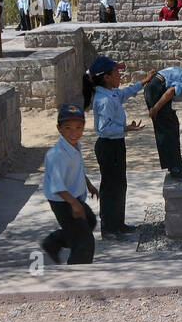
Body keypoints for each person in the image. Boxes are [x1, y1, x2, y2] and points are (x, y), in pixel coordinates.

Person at [82, 55, 145, 239]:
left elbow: (126, 92)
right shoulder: (103, 100)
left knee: (120, 185)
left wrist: (144, 82)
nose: (120, 75)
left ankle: (118, 223)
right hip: (108, 147)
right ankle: (109, 228)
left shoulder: (112, 93)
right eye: (116, 72)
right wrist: (126, 128)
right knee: (110, 187)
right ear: (107, 77)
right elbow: (104, 128)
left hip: (116, 144)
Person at [39, 103, 99, 265]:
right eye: (68, 128)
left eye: (78, 127)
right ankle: (76, 273)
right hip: (63, 201)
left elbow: (77, 169)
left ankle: (54, 242)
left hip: (73, 196)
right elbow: (57, 187)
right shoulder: (57, 155)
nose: (74, 133)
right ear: (59, 129)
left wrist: (89, 185)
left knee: (90, 221)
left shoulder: (75, 146)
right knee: (84, 243)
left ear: (84, 127)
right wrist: (75, 204)